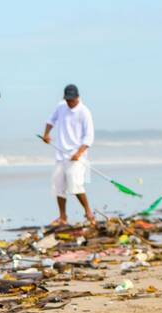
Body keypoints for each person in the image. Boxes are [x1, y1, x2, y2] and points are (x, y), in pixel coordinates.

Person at [42, 84, 95, 225]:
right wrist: (46, 134)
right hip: (61, 154)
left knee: (75, 185)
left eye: (71, 100)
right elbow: (50, 120)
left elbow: (89, 137)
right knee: (58, 186)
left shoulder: (84, 112)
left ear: (77, 97)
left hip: (77, 156)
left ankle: (89, 212)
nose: (69, 102)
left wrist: (79, 153)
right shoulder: (61, 106)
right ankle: (63, 217)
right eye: (67, 99)